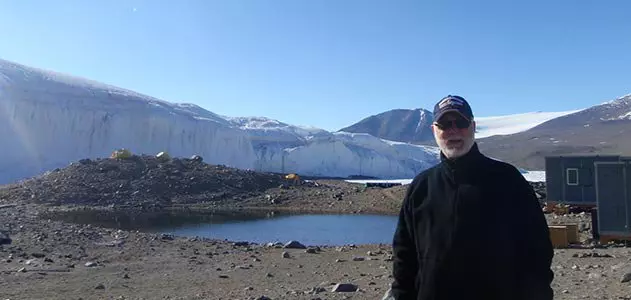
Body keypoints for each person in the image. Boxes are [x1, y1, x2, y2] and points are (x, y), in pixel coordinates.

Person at [390, 95, 554, 300]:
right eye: (444, 124)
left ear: (473, 126)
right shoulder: (422, 187)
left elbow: (536, 251)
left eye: (460, 122)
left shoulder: (508, 181)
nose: (453, 130)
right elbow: (405, 257)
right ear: (434, 130)